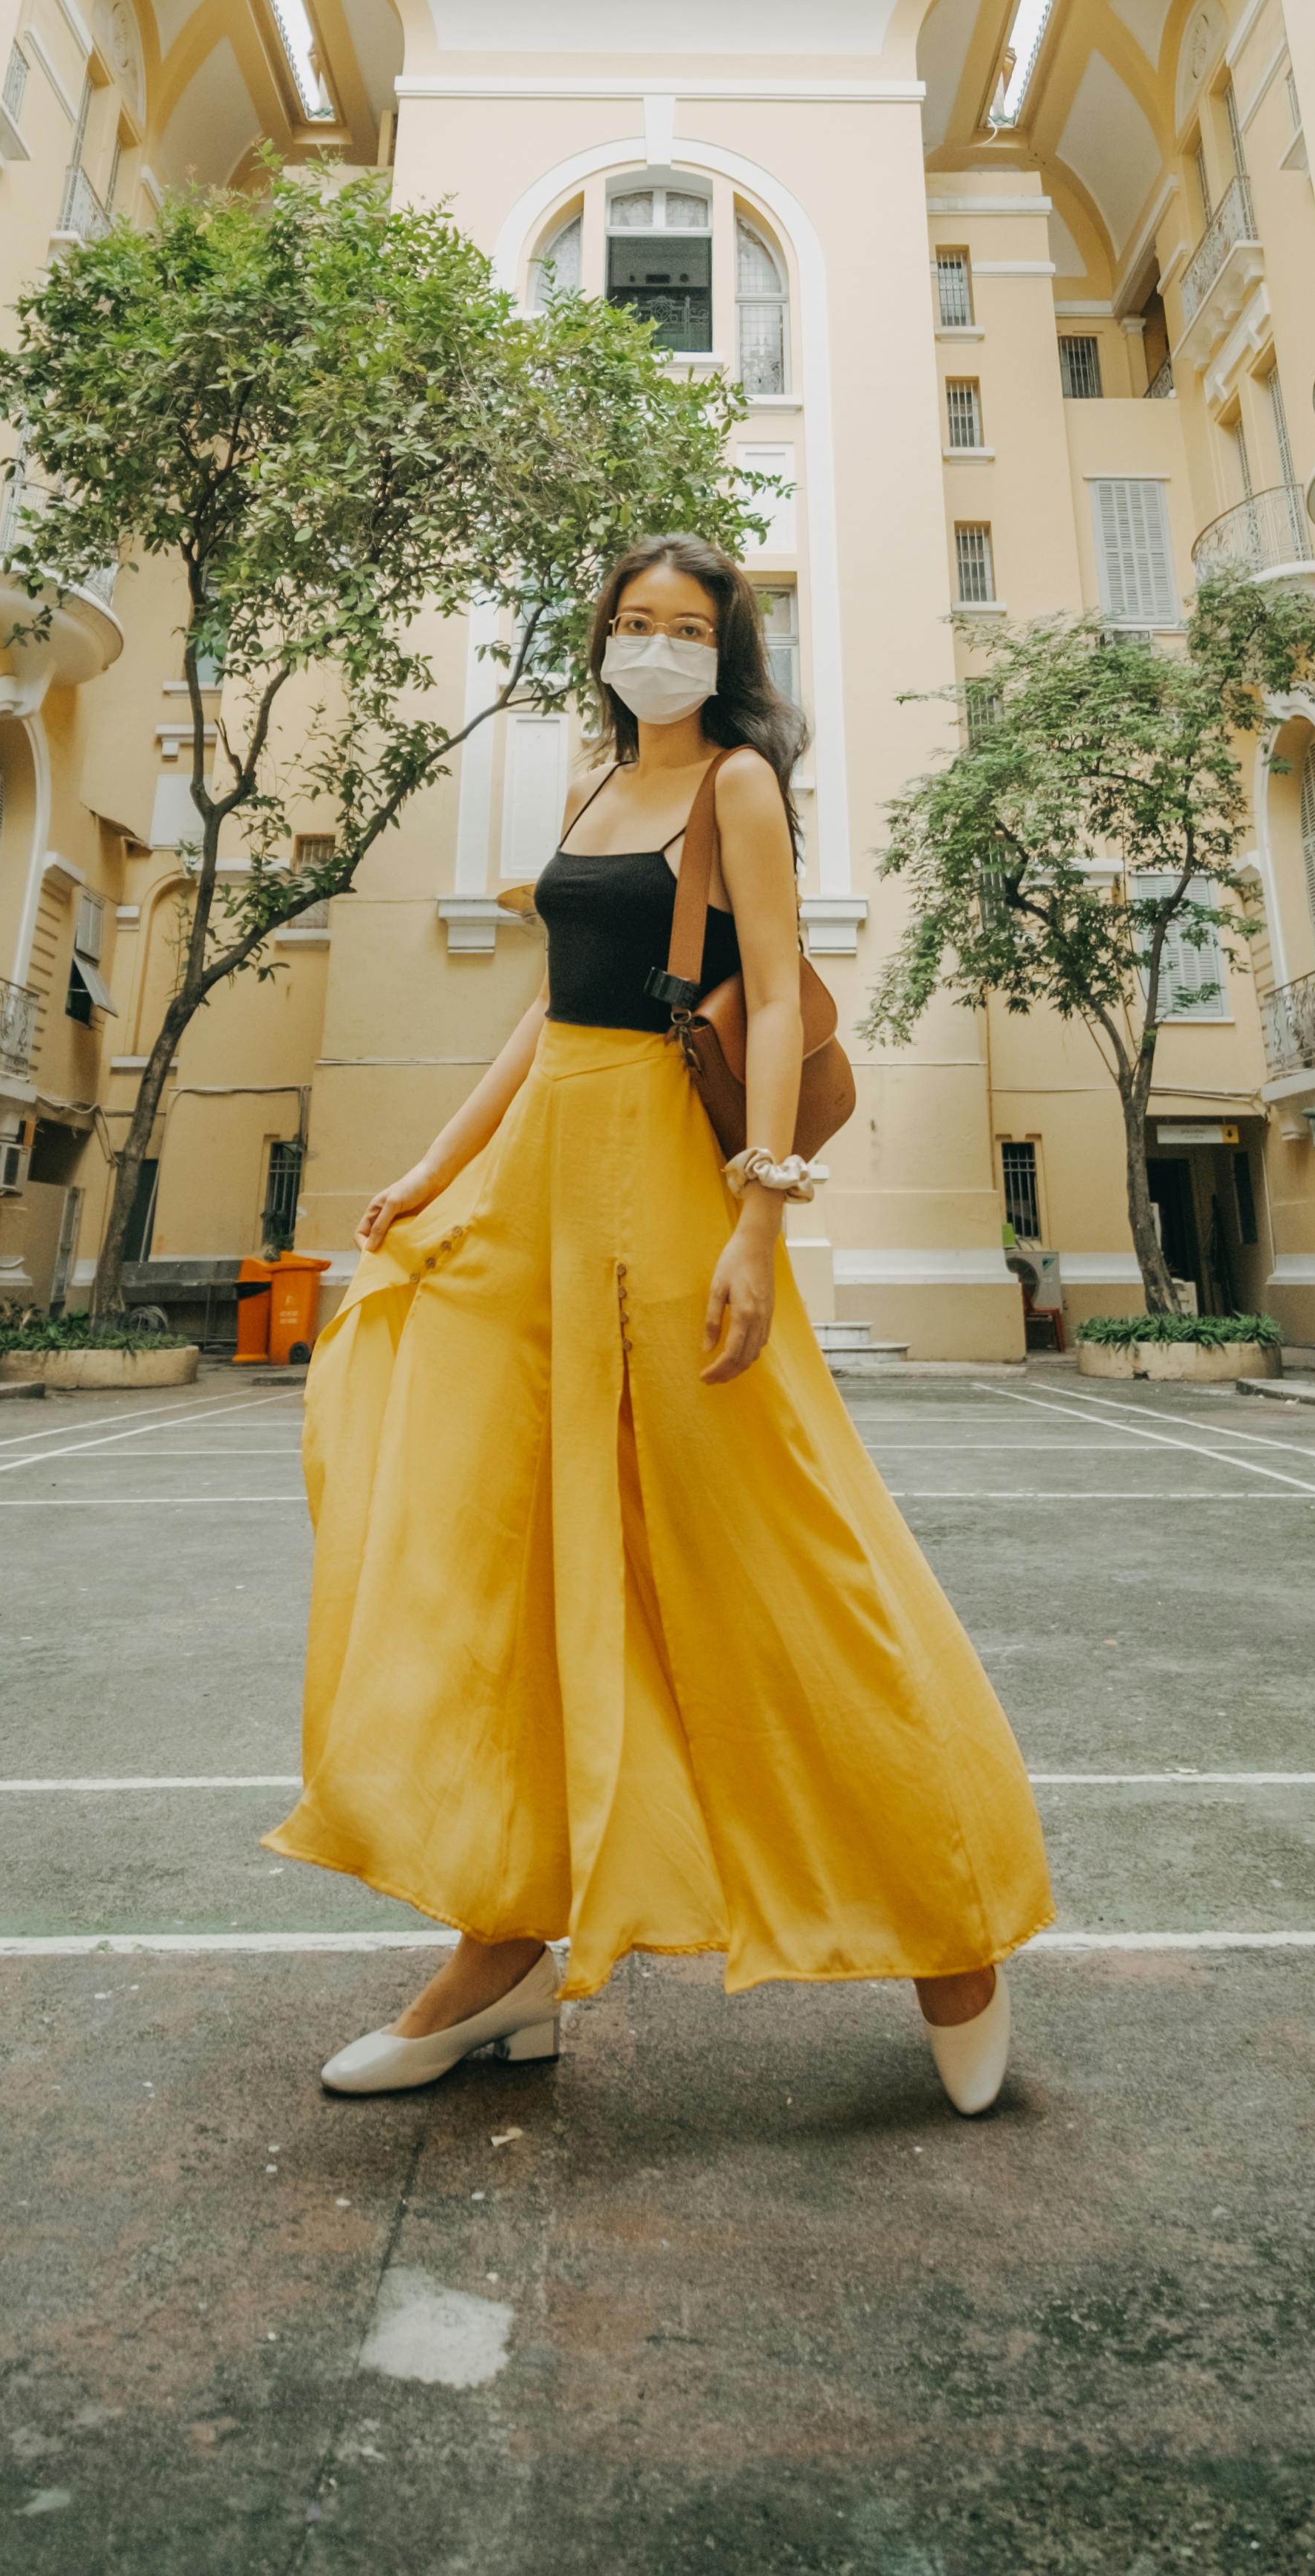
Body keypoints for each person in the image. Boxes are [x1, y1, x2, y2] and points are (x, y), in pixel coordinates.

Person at [265, 535, 1052, 2112]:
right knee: (513, 1555)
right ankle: (500, 1955)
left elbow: (770, 987)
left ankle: (946, 1924)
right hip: (543, 1177)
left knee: (768, 1541)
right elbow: (549, 1006)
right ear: (600, 638)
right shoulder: (585, 785)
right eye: (630, 622)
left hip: (667, 1189)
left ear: (728, 648)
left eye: (684, 627)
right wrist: (429, 1165)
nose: (652, 646)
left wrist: (760, 1215)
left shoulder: (734, 790)